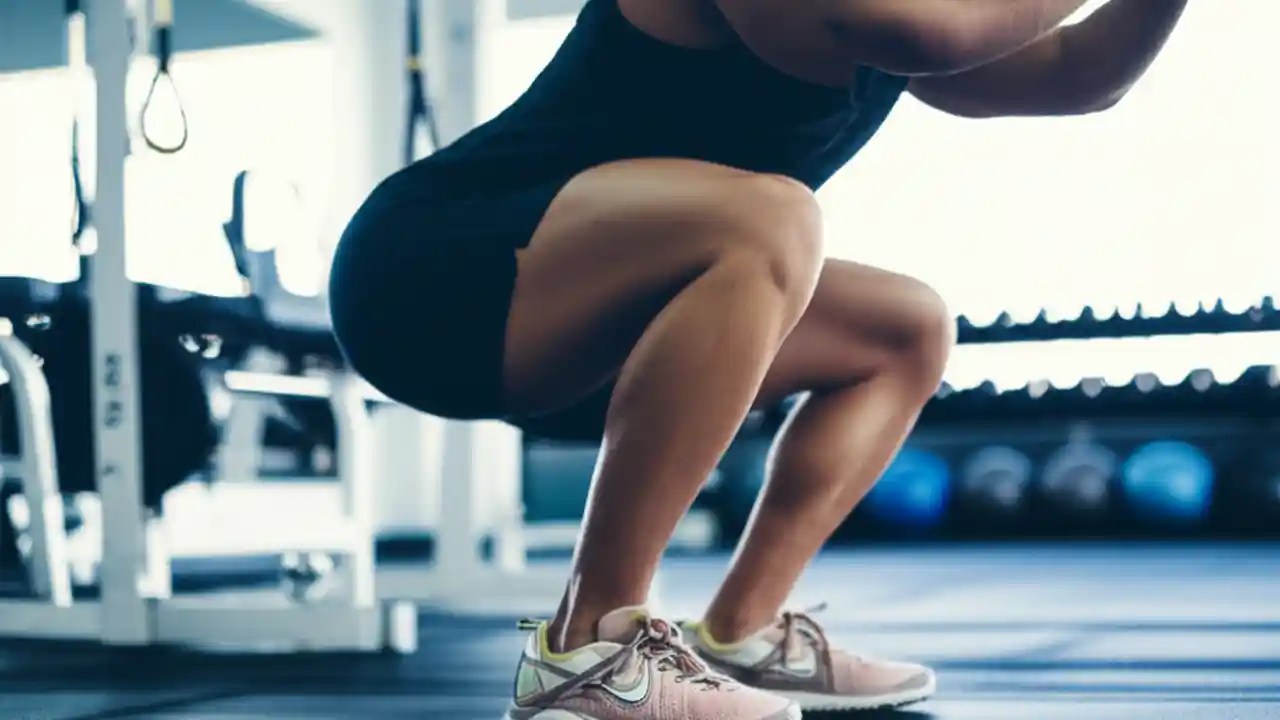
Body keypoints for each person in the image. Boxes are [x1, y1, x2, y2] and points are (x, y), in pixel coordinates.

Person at [328, 0, 1189, 716]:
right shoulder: (875, 17)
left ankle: (746, 631)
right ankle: (591, 651)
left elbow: (1081, 73)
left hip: (595, 335)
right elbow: (929, 32)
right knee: (773, 218)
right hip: (433, 279)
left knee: (905, 328)